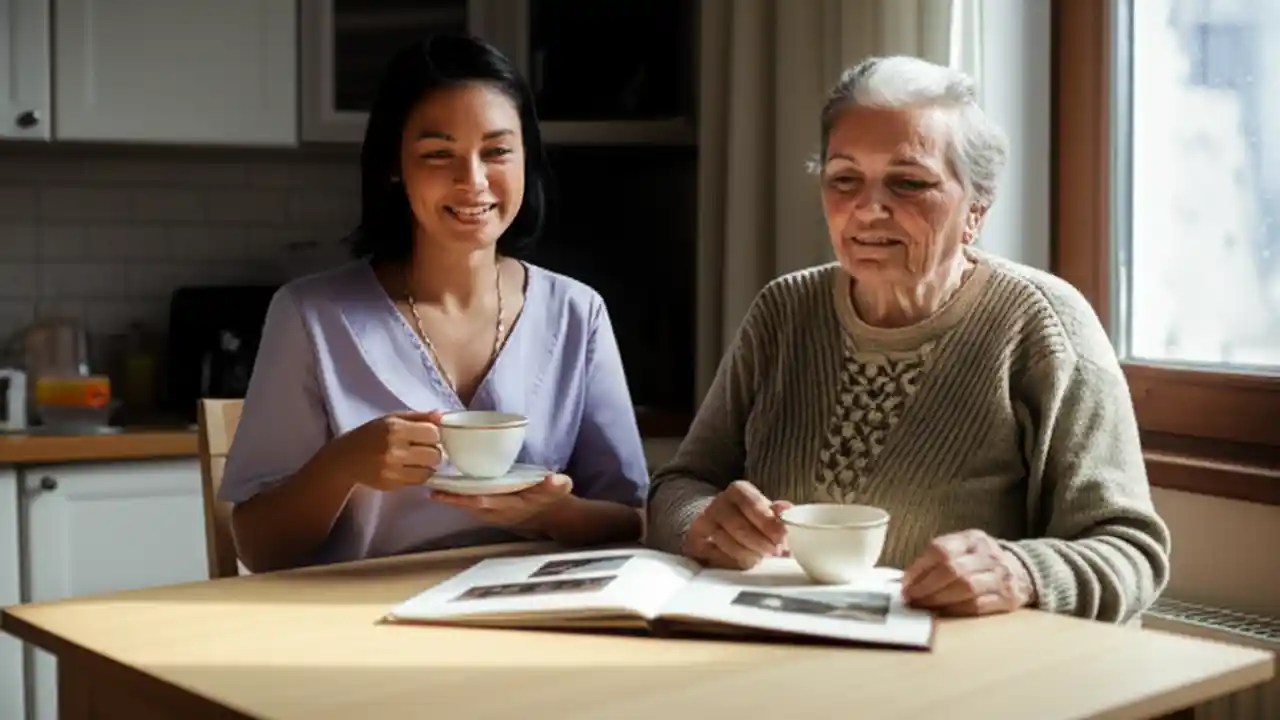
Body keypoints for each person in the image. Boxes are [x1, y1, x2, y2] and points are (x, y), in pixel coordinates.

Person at [645, 56, 1171, 624]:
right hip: (782, 651)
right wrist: (700, 520)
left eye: (909, 182)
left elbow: (1131, 550)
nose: (868, 209)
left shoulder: (1042, 325)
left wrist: (1019, 573)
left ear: (975, 210)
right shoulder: (783, 310)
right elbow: (679, 484)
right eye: (844, 179)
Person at [219, 34, 648, 572]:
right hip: (360, 626)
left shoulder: (576, 312)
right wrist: (342, 465)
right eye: (438, 154)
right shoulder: (310, 315)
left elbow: (631, 520)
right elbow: (260, 549)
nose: (472, 181)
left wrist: (552, 514)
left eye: (496, 152)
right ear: (395, 166)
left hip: (533, 614)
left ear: (526, 160)